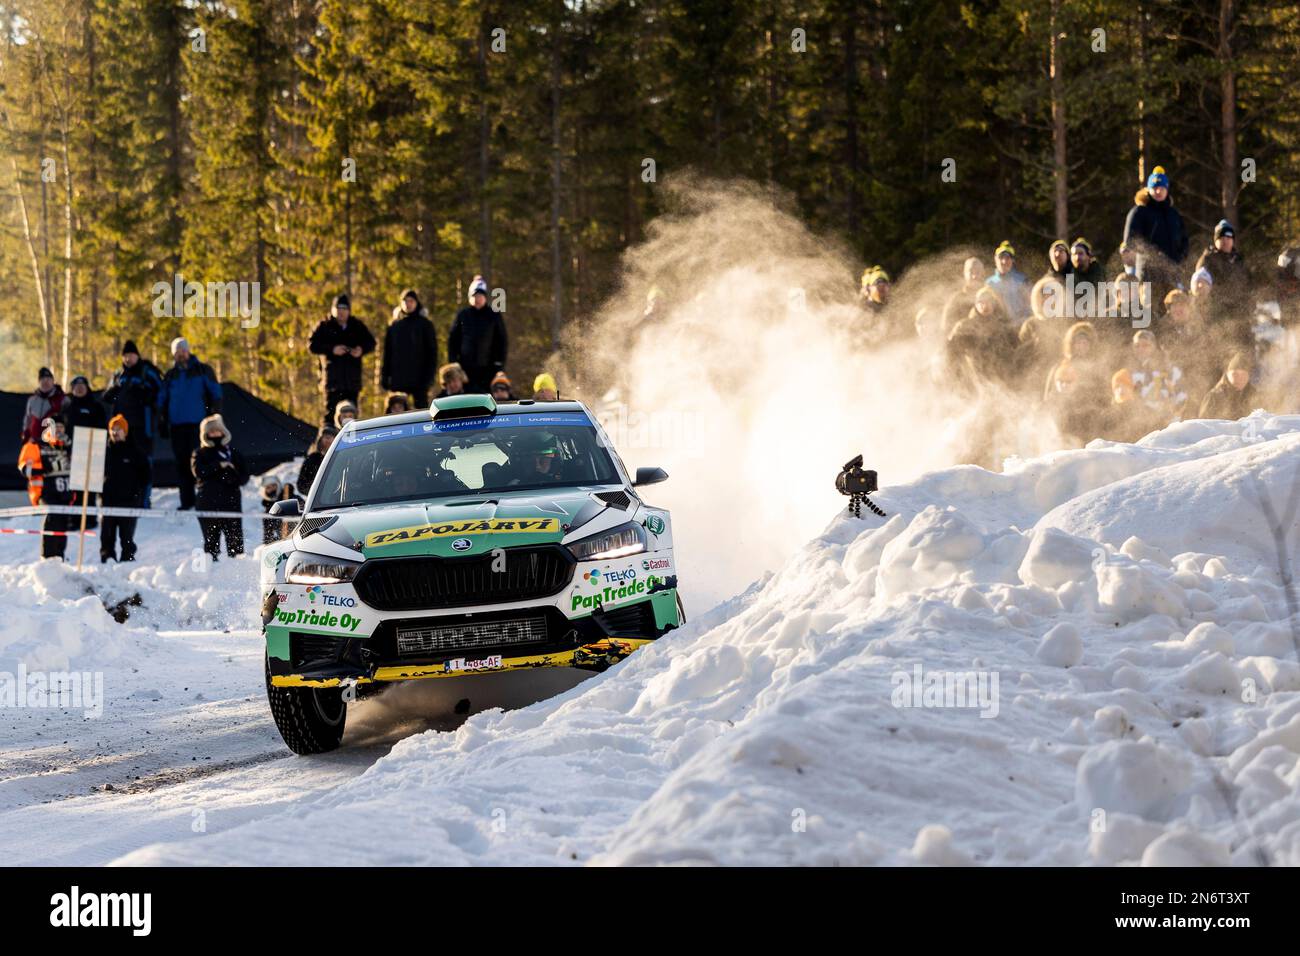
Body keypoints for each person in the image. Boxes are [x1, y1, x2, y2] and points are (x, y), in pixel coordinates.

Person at [160, 338, 222, 510]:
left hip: (199, 425)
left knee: (201, 461)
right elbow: (162, 399)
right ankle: (186, 501)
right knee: (181, 463)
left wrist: (214, 417)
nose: (180, 354)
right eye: (177, 352)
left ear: (188, 351)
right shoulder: (170, 375)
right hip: (177, 426)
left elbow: (216, 393)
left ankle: (205, 498)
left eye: (183, 350)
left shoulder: (203, 370)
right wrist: (162, 420)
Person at [1122, 165, 1188, 305]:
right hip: (1148, 273)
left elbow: (1183, 240)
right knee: (1149, 309)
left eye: (1162, 188)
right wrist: (1152, 254)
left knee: (1172, 310)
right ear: (1148, 189)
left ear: (1167, 189)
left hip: (1172, 273)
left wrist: (1180, 258)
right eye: (1155, 187)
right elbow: (1131, 240)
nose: (1158, 191)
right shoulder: (1140, 212)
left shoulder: (1173, 214)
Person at [309, 293, 376, 424]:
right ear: (332, 310)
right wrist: (332, 349)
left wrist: (360, 350)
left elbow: (371, 343)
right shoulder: (324, 325)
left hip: (352, 381)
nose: (341, 312)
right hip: (332, 381)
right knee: (330, 415)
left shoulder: (357, 325)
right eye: (338, 309)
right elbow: (312, 345)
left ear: (349, 310)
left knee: (352, 416)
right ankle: (330, 442)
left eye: (344, 309)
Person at [192, 414, 249, 560]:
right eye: (211, 432)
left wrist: (231, 472)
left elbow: (244, 477)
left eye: (218, 430)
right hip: (208, 505)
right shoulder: (200, 453)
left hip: (231, 504)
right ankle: (211, 572)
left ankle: (237, 571)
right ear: (205, 434)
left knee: (236, 546)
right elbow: (199, 472)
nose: (215, 434)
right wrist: (219, 465)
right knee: (211, 546)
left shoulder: (233, 453)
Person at [1043, 321, 1110, 443]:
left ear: (1091, 345)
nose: (1081, 346)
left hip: (1092, 421)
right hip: (1066, 420)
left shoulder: (1097, 368)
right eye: (1078, 342)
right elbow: (1049, 395)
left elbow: (1105, 397)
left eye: (1085, 343)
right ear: (1071, 345)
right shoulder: (1060, 366)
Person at [17, 416, 74, 559]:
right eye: (55, 426)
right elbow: (25, 469)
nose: (58, 429)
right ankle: (47, 557)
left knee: (62, 524)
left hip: (65, 493)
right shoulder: (36, 445)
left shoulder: (69, 446)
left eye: (61, 426)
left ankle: (59, 557)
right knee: (51, 518)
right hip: (45, 492)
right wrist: (46, 467)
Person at [1194, 219, 1252, 350]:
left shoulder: (1238, 260)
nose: (1225, 240)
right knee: (1220, 347)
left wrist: (1249, 305)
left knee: (1242, 348)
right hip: (1217, 312)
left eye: (1229, 237)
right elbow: (1199, 286)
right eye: (1221, 237)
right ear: (1216, 240)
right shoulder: (1208, 259)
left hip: (1239, 312)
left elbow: (1248, 284)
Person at [100, 415, 150, 563]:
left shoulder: (136, 452)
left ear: (125, 431)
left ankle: (127, 560)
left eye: (119, 429)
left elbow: (146, 476)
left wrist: (138, 495)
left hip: (129, 501)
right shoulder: (104, 452)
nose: (115, 432)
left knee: (127, 535)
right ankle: (107, 558)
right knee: (107, 534)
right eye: (112, 429)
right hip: (108, 500)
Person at [448, 275, 508, 392]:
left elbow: (502, 341)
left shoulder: (494, 315)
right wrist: (454, 362)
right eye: (474, 296)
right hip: (465, 369)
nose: (477, 299)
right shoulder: (463, 315)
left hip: (488, 369)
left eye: (480, 296)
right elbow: (453, 339)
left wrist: (499, 365)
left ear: (485, 297)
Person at [102, 340, 162, 455]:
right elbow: (106, 397)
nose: (128, 359)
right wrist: (113, 390)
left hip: (142, 424)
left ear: (137, 356)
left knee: (142, 454)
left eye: (130, 355)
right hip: (121, 425)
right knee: (121, 455)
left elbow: (161, 391)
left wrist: (150, 397)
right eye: (125, 356)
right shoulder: (118, 375)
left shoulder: (148, 372)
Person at [381, 288, 439, 408]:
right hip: (398, 379)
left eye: (411, 301)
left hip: (420, 379)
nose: (408, 304)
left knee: (421, 414)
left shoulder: (425, 325)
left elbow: (432, 353)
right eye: (405, 301)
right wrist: (385, 376)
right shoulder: (394, 326)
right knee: (398, 415)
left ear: (416, 303)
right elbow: (387, 354)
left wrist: (429, 377)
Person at [1198, 352, 1258, 420]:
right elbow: (1204, 426)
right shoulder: (1214, 397)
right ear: (1227, 374)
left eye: (1243, 375)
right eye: (1235, 374)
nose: (1239, 378)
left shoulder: (1254, 396)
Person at [986, 241, 1030, 322]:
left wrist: (1024, 321)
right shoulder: (989, 283)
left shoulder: (1022, 280)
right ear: (995, 259)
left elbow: (1030, 304)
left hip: (1020, 325)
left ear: (1013, 260)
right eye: (1001, 257)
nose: (1004, 261)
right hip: (998, 327)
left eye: (1008, 258)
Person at [942, 257, 986, 336]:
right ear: (964, 274)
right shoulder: (956, 299)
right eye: (971, 272)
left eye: (978, 272)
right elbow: (946, 328)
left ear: (983, 274)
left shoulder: (990, 297)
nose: (974, 276)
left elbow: (1003, 323)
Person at [21, 367, 65, 443]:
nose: (46, 382)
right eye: (43, 379)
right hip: (34, 441)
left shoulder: (62, 399)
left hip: (54, 443)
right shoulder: (32, 400)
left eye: (48, 379)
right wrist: (26, 435)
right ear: (39, 382)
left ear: (53, 381)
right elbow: (27, 419)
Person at [297, 425, 337, 498]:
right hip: (317, 501)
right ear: (320, 439)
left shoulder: (340, 457)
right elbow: (301, 485)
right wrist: (316, 492)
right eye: (326, 437)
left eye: (331, 437)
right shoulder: (312, 458)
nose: (328, 440)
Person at [259, 477, 286, 545]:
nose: (272, 489)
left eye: (274, 485)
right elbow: (268, 537)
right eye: (268, 487)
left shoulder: (288, 497)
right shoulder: (267, 511)